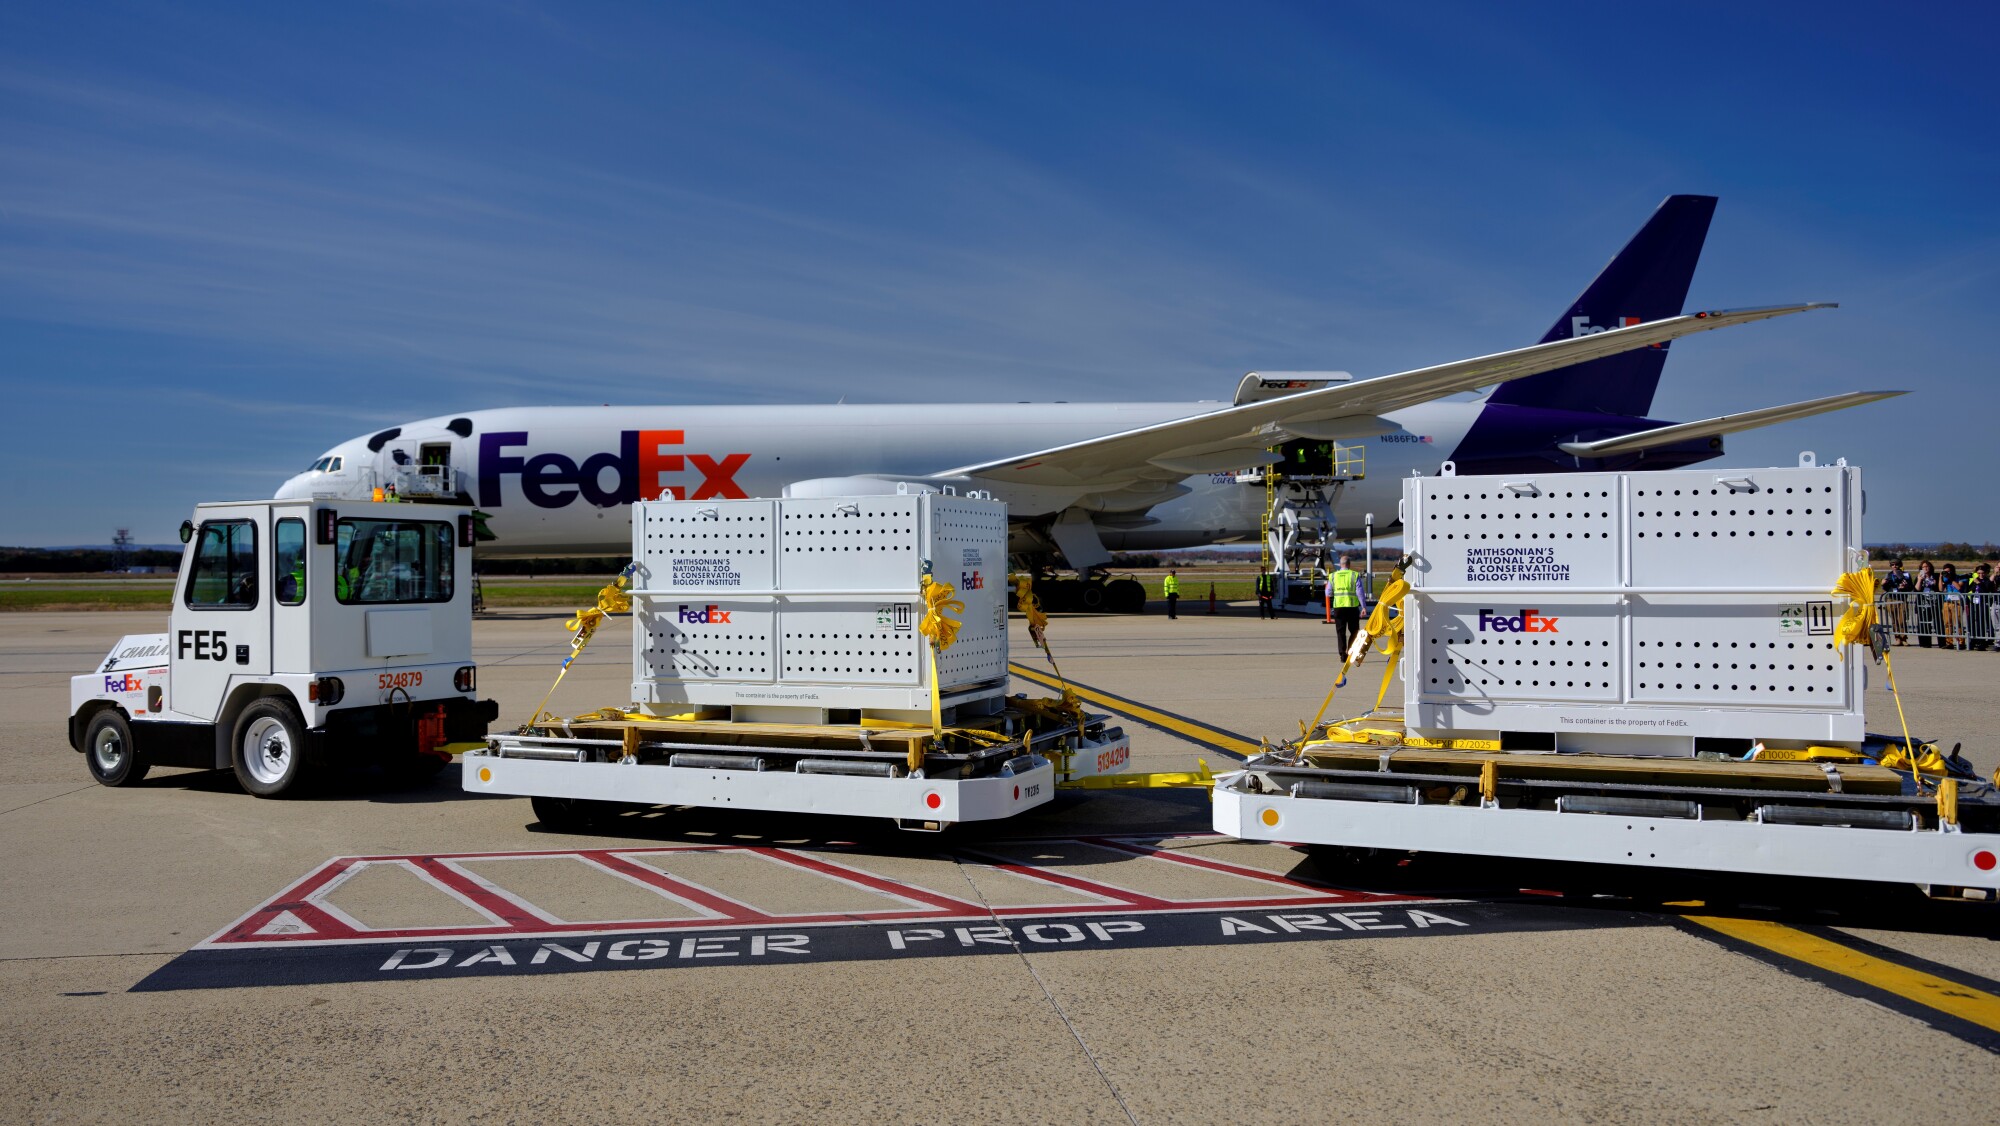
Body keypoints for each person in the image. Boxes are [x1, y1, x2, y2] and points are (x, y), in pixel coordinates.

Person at [1331, 554, 1365, 656]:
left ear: (1340, 564)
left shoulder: (1333, 576)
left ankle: (1342, 654)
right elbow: (1360, 592)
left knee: (1340, 632)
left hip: (1338, 607)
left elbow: (1327, 592)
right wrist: (1363, 606)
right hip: (1352, 607)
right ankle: (1351, 651)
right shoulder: (1354, 575)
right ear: (1349, 564)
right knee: (1354, 631)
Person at [1883, 558, 1910, 645]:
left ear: (1900, 565)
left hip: (1901, 599)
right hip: (1891, 598)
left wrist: (1905, 587)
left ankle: (1904, 638)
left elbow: (1911, 587)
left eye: (1896, 564)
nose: (1894, 566)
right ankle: (1897, 638)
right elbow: (1885, 588)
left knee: (1902, 619)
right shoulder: (1888, 575)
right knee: (1894, 620)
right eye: (1892, 565)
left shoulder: (1906, 574)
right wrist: (1883, 584)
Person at [1914, 560, 1939, 647]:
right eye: (1923, 567)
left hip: (1934, 602)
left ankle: (1941, 642)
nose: (1926, 568)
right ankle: (1925, 642)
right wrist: (1920, 580)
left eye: (1927, 566)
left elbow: (1939, 588)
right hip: (1923, 603)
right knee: (1923, 623)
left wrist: (1935, 583)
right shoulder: (1919, 577)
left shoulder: (1936, 576)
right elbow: (1916, 589)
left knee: (1937, 622)